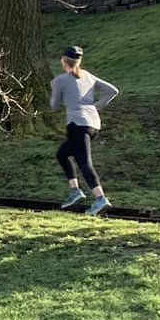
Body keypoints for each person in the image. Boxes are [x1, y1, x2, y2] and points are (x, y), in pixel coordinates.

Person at [50, 45, 119, 213]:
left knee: (84, 163)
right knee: (62, 154)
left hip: (77, 125)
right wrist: (96, 106)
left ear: (63, 60)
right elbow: (113, 91)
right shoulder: (88, 76)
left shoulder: (59, 80)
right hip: (93, 125)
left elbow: (54, 105)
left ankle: (100, 198)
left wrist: (56, 92)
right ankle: (74, 191)